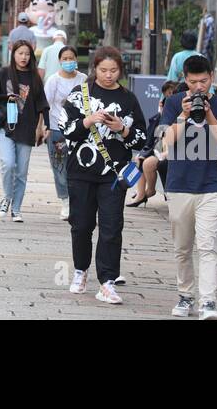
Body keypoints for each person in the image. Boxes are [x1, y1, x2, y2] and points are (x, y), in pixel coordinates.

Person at [61, 46, 149, 304]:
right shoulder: (80, 94)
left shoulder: (128, 99)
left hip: (114, 174)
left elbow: (140, 138)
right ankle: (80, 270)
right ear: (94, 69)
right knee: (81, 225)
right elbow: (66, 129)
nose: (109, 75)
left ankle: (108, 281)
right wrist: (89, 120)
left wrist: (122, 129)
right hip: (80, 172)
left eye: (113, 70)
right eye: (103, 70)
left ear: (120, 71)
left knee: (112, 227)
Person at [160, 55, 217, 320]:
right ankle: (185, 295)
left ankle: (208, 302)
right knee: (182, 248)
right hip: (179, 186)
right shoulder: (172, 103)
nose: (199, 87)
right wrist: (183, 114)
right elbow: (166, 141)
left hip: (210, 186)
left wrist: (210, 114)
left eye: (203, 81)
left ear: (211, 79)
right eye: (193, 82)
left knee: (207, 246)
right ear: (185, 80)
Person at [0, 40, 47, 223]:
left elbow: (43, 104)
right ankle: (7, 196)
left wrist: (43, 127)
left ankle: (17, 209)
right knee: (8, 163)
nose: (24, 57)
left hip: (27, 129)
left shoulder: (35, 77)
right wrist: (8, 96)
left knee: (21, 172)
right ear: (13, 54)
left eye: (27, 54)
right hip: (6, 126)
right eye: (20, 53)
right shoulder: (4, 73)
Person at [43, 44, 84, 220]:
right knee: (59, 167)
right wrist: (42, 128)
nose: (68, 61)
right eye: (64, 59)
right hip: (56, 129)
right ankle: (65, 201)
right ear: (59, 61)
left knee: (79, 166)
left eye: (71, 58)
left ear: (76, 59)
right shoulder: (53, 80)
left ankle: (79, 201)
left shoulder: (84, 79)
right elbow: (44, 106)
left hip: (80, 129)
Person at [130, 81, 179, 207]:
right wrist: (144, 152)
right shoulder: (160, 116)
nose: (169, 97)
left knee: (149, 163)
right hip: (159, 149)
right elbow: (151, 138)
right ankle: (141, 194)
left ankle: (150, 191)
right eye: (167, 95)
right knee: (140, 159)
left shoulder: (180, 113)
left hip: (174, 151)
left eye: (171, 94)